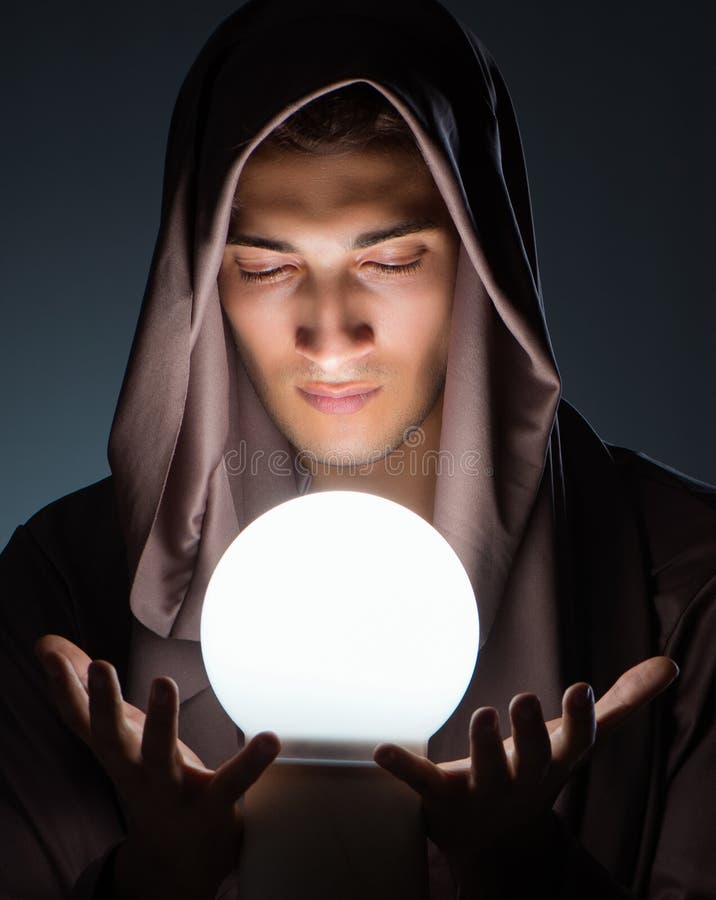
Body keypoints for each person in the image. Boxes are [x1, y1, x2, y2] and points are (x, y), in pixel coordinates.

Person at [1, 0, 714, 897]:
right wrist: (159, 873)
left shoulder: (687, 592)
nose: (331, 338)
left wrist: (522, 867)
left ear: (483, 262)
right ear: (200, 279)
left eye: (392, 261)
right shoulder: (63, 593)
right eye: (265, 267)